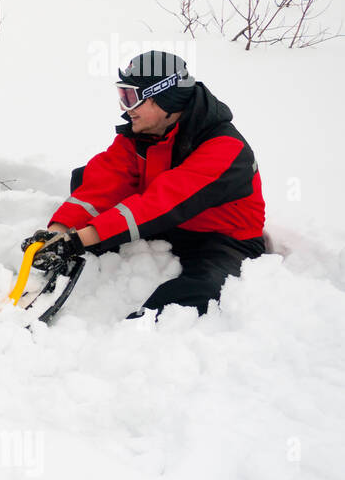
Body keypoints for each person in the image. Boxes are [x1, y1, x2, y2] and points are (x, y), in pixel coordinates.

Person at [26, 50, 265, 317]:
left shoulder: (225, 148)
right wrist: (59, 232)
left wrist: (79, 240)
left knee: (202, 290)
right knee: (85, 177)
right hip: (168, 225)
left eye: (130, 97)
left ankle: (143, 329)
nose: (124, 108)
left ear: (164, 97)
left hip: (221, 239)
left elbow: (161, 203)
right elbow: (106, 180)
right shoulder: (146, 130)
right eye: (122, 96)